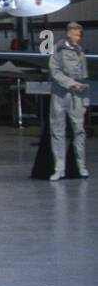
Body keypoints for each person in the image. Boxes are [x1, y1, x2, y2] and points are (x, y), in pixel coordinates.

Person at [48, 21, 89, 180]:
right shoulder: (58, 49)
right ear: (69, 33)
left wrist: (85, 100)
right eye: (76, 34)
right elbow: (55, 72)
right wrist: (70, 83)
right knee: (57, 131)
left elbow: (85, 77)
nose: (78, 38)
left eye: (80, 35)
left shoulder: (80, 52)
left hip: (76, 96)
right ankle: (59, 168)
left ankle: (81, 167)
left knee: (79, 130)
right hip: (60, 95)